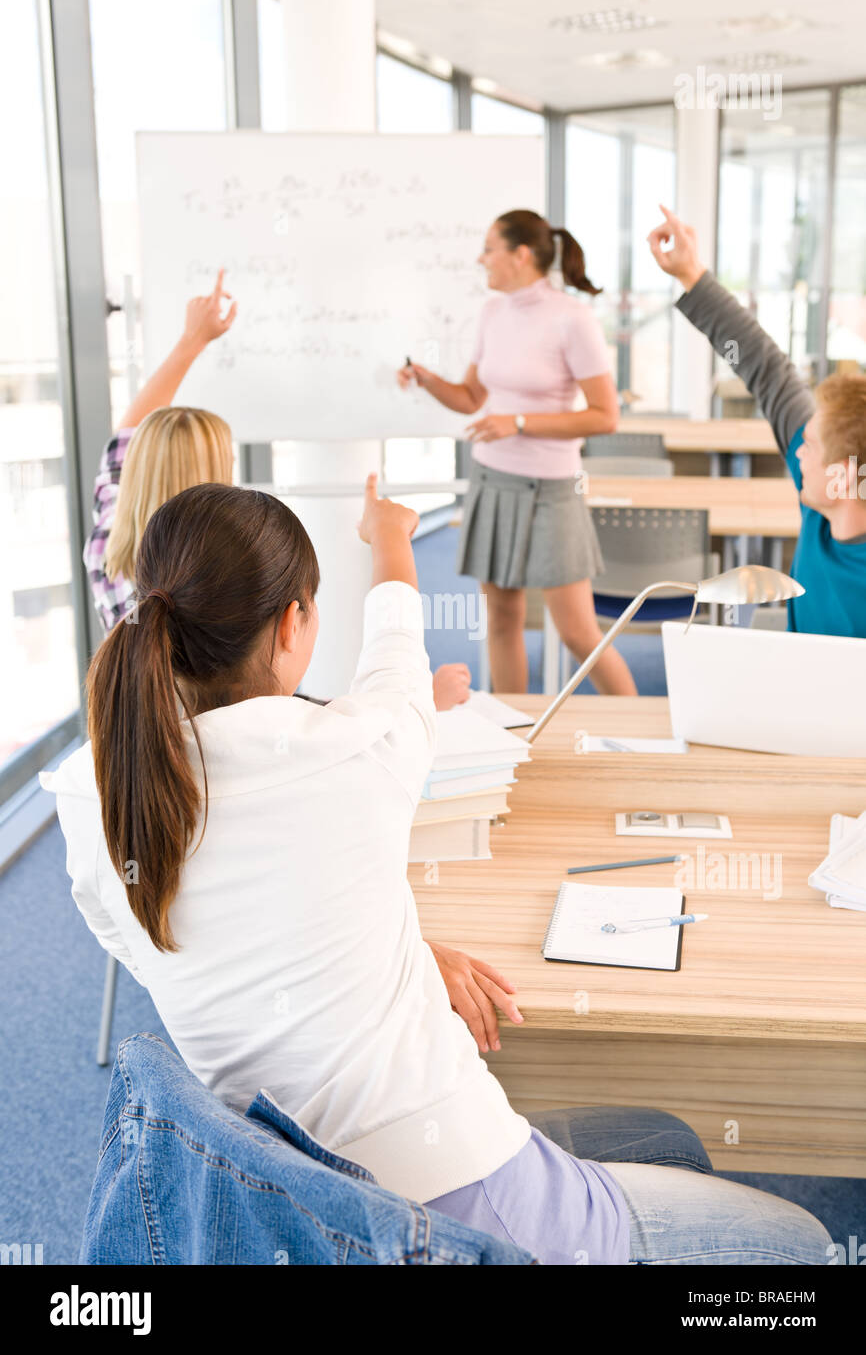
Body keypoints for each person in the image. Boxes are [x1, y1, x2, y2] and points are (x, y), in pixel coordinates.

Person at [44, 476, 831, 1264]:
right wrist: (389, 537)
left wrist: (397, 952)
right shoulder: (351, 749)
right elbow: (396, 664)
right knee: (804, 1247)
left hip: (283, 1215)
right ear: (293, 625)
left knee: (664, 1143)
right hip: (449, 1212)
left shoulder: (92, 798)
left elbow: (170, 949)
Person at [85, 271, 473, 710]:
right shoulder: (224, 580)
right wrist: (421, 704)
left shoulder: (107, 542)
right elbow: (278, 716)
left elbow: (126, 437)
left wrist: (192, 341)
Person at [398, 209, 636, 697]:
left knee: (577, 632)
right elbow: (469, 397)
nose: (482, 259)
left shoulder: (573, 319)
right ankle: (511, 734)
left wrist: (520, 423)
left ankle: (640, 733)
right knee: (502, 622)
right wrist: (424, 378)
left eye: (490, 248)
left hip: (552, 490)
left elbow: (604, 416)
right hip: (492, 481)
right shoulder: (492, 312)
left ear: (521, 255)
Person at [647, 204, 866, 638]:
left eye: (812, 446)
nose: (798, 447)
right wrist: (692, 275)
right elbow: (767, 370)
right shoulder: (818, 509)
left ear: (842, 478)